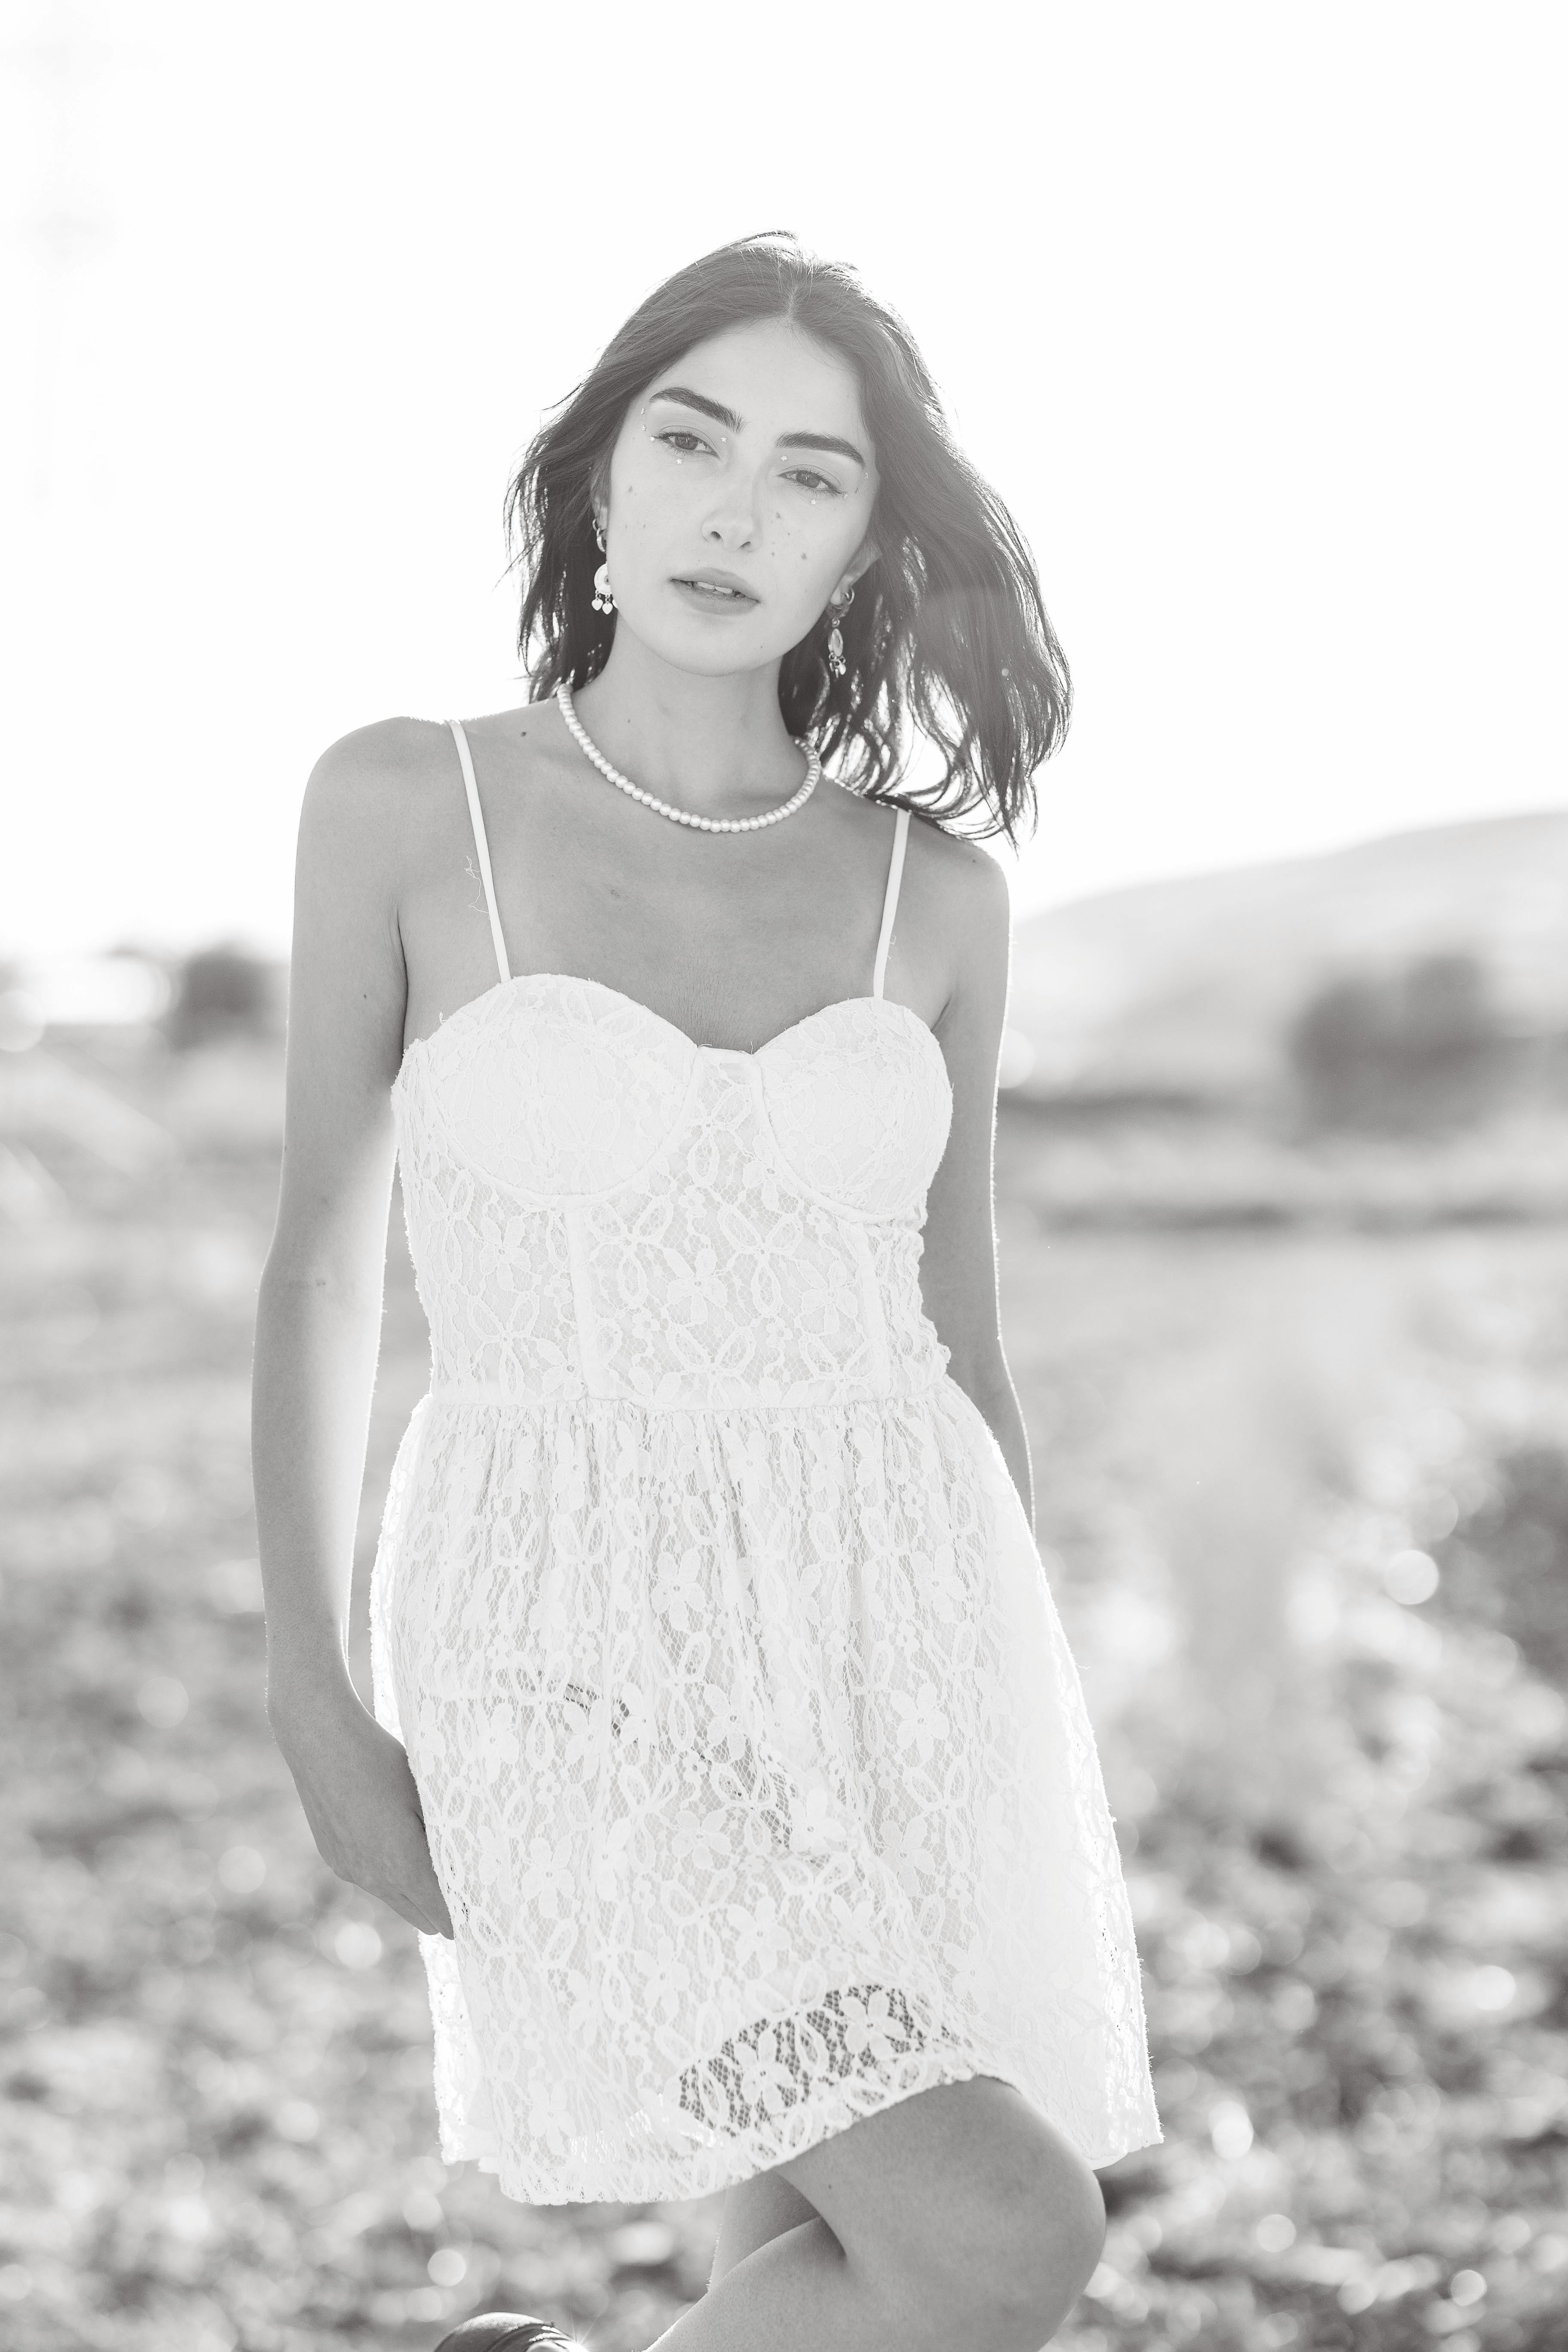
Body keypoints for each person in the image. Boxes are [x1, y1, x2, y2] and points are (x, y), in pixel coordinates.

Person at [253, 232, 1159, 2352]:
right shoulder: (408, 802)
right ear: (601, 479)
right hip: (556, 1643)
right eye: (692, 440)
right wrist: (313, 1694)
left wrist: (1003, 1745)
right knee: (1002, 2236)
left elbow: (963, 1343)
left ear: (863, 547)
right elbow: (319, 1263)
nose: (737, 511)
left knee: (814, 2265)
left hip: (886, 1633)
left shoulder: (940, 895)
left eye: (810, 474)